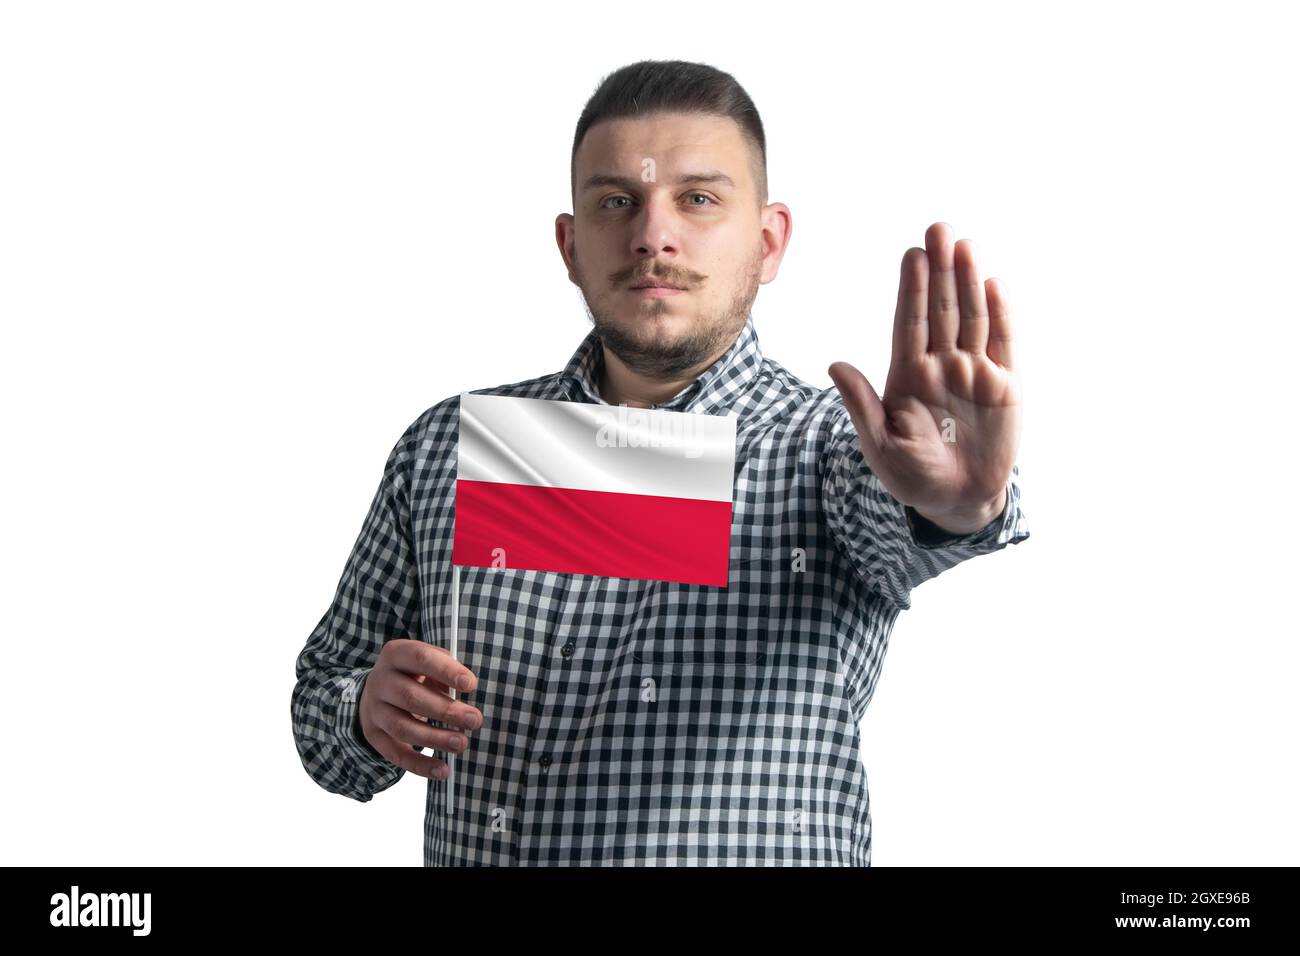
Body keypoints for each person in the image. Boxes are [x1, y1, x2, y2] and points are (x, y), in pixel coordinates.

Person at [291, 59, 1030, 866]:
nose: (653, 235)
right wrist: (365, 709)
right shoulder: (449, 447)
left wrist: (957, 501)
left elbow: (909, 525)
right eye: (617, 202)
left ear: (770, 239)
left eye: (699, 199)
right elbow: (322, 714)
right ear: (570, 244)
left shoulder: (831, 452)